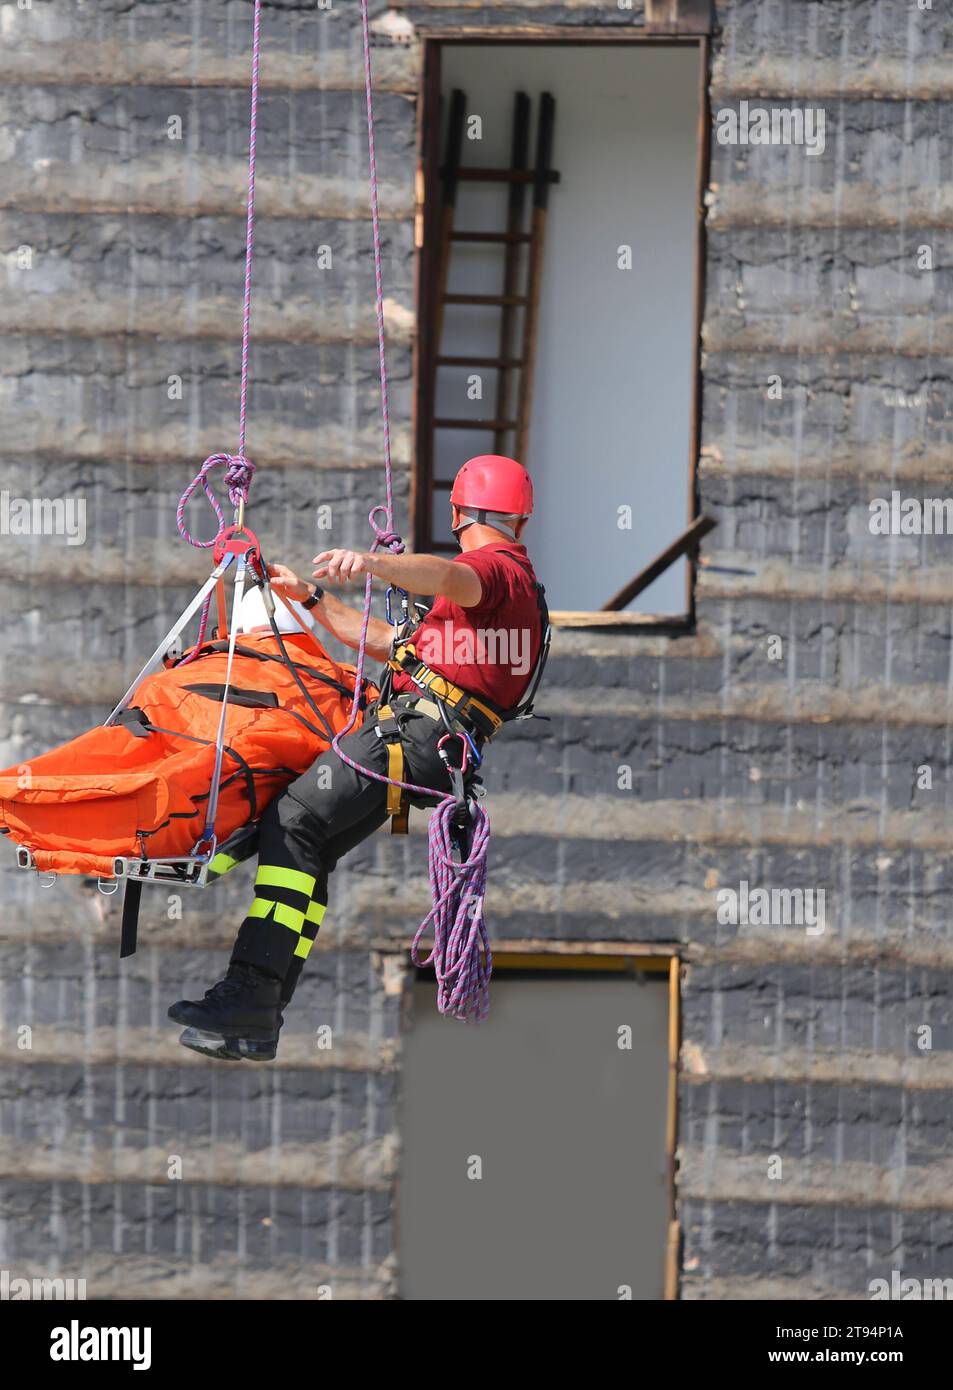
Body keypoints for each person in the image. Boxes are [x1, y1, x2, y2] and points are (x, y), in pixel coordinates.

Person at [168, 455, 547, 1059]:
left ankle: (251, 989)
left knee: (293, 819)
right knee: (305, 842)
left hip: (420, 737)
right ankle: (258, 1010)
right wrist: (313, 598)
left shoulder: (495, 572)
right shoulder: (499, 594)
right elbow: (392, 645)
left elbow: (448, 578)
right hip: (429, 747)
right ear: (519, 517)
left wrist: (373, 563)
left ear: (458, 514)